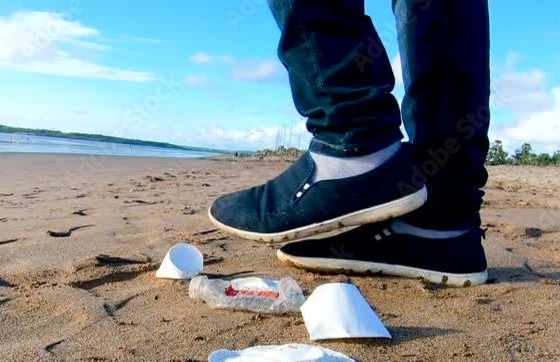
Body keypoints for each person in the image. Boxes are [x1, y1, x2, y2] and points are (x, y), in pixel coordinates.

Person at [209, 0, 490, 287]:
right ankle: (443, 217)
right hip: (453, 226)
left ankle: (352, 139)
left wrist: (353, 130)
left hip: (353, 136)